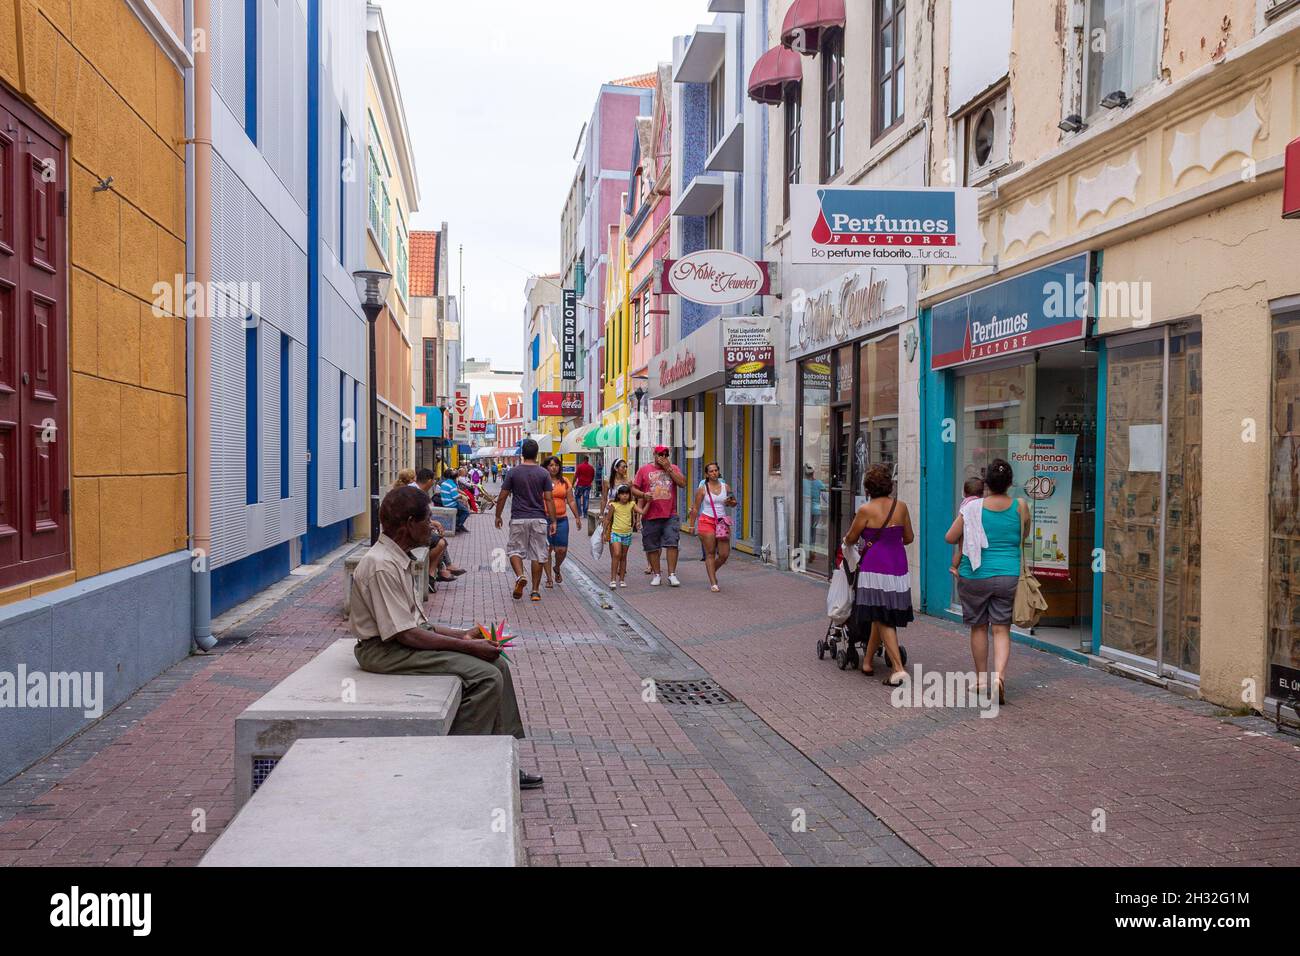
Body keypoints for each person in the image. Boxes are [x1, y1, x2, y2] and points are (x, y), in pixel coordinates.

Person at [350, 486, 542, 789]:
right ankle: (457, 761)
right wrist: (468, 647)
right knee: (486, 677)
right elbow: (408, 635)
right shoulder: (382, 565)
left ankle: (501, 754)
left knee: (499, 666)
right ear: (408, 524)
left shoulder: (397, 558)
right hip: (384, 651)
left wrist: (462, 635)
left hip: (401, 642)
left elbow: (418, 623)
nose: (434, 525)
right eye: (428, 519)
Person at [945, 458, 1029, 705]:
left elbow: (950, 537)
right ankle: (999, 677)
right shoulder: (1021, 506)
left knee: (979, 627)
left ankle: (982, 679)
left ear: (987, 483)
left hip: (975, 575)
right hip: (1008, 575)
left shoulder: (972, 508)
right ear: (1010, 483)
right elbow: (1023, 535)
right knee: (1002, 628)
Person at [842, 465, 914, 686]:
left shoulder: (865, 510)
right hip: (898, 567)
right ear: (889, 485)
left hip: (874, 569)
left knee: (883, 617)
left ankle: (898, 669)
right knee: (879, 614)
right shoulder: (901, 507)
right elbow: (909, 537)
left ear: (868, 488)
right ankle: (867, 662)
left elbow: (851, 538)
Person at [495, 438, 556, 603]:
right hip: (539, 518)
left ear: (522, 454)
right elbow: (549, 499)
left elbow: (502, 496)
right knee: (538, 554)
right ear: (536, 454)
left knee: (514, 550)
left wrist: (498, 515)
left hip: (519, 518)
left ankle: (520, 576)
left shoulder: (513, 472)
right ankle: (535, 591)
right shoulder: (544, 473)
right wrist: (554, 521)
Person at [633, 445, 687, 587]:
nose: (662, 457)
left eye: (665, 454)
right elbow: (633, 488)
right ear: (654, 454)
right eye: (659, 454)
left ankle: (672, 575)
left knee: (672, 543)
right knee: (652, 546)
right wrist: (644, 495)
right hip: (650, 514)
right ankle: (656, 574)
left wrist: (669, 469)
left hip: (670, 513)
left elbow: (682, 483)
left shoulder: (673, 468)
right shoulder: (644, 470)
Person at [686, 462, 737, 593]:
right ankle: (713, 582)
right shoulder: (703, 489)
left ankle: (711, 570)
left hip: (721, 522)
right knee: (710, 552)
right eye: (711, 471)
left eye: (716, 470)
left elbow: (734, 502)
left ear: (718, 472)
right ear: (707, 474)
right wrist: (691, 525)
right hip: (706, 521)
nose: (714, 473)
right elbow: (695, 507)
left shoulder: (726, 486)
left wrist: (730, 502)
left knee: (724, 554)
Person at [411, 468, 466, 584]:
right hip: (411, 533)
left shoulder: (415, 490)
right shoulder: (416, 494)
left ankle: (442, 569)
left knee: (439, 538)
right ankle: (435, 572)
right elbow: (416, 518)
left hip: (414, 529)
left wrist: (433, 523)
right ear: (430, 481)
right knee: (441, 542)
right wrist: (430, 525)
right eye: (433, 481)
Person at [542, 456, 581, 587]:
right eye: (551, 465)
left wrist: (577, 517)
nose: (554, 467)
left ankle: (557, 567)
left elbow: (570, 500)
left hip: (562, 520)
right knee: (547, 549)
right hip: (545, 519)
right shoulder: (542, 481)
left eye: (556, 465)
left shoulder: (564, 482)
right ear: (546, 467)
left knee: (561, 550)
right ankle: (548, 578)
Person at [602, 484, 644, 588]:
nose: (625, 496)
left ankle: (621, 579)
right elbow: (607, 519)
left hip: (627, 534)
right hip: (616, 533)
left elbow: (642, 511)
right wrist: (604, 532)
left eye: (627, 494)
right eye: (622, 494)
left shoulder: (632, 504)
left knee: (624, 556)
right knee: (616, 554)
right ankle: (612, 579)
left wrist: (648, 502)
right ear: (618, 495)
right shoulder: (614, 505)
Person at [951, 476, 987, 577]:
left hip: (965, 530)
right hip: (976, 531)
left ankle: (953, 567)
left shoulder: (965, 502)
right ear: (982, 493)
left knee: (960, 550)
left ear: (965, 493)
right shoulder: (982, 503)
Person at [438, 467, 471, 533]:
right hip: (451, 504)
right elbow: (455, 497)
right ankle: (458, 525)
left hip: (445, 502)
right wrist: (462, 497)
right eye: (453, 471)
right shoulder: (452, 484)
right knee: (466, 512)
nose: (456, 472)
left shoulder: (444, 483)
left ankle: (459, 525)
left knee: (461, 509)